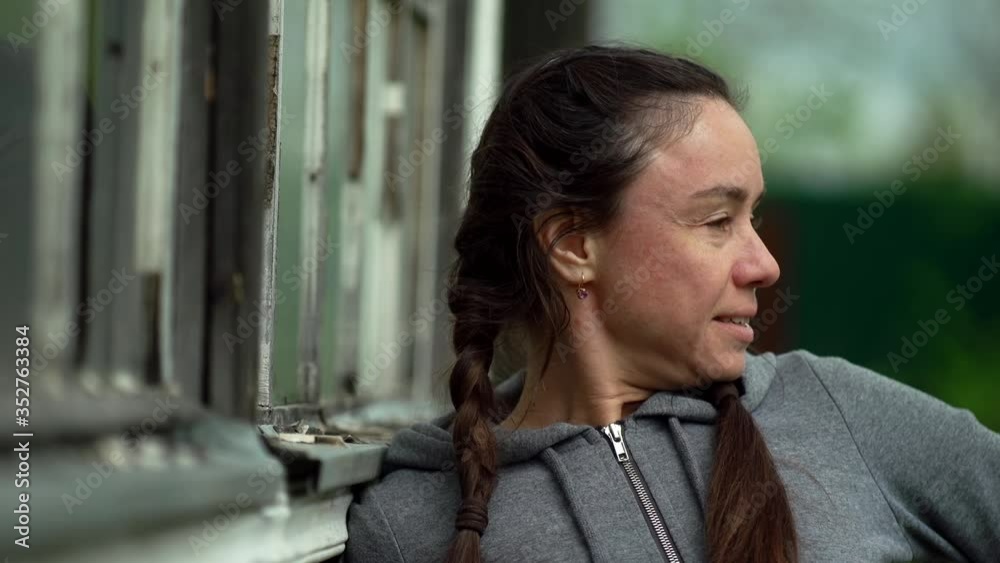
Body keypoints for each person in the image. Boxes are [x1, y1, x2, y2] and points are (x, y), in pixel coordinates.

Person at [341, 45, 1000, 563]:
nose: (765, 264)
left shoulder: (834, 410)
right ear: (574, 245)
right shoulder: (413, 524)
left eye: (752, 216)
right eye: (717, 221)